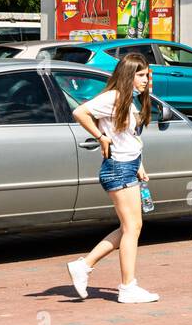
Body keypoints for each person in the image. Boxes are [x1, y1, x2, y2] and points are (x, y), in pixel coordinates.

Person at [66, 53, 161, 302]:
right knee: (133, 227)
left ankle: (84, 266)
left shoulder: (128, 101)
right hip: (117, 169)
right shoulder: (114, 97)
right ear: (128, 75)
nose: (146, 80)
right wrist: (101, 137)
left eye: (147, 75)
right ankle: (127, 287)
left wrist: (139, 164)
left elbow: (128, 139)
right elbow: (80, 112)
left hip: (127, 167)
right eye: (141, 75)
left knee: (128, 228)